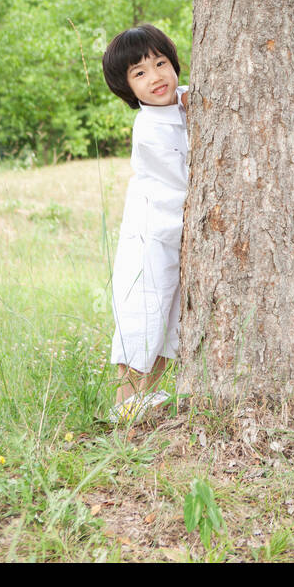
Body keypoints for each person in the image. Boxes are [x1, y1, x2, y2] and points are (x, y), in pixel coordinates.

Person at [102, 23, 189, 423]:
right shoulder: (150, 128)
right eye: (140, 73)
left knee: (168, 321)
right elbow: (184, 179)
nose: (155, 77)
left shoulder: (184, 102)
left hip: (173, 236)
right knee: (144, 316)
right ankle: (126, 408)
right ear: (127, 89)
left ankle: (143, 407)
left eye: (160, 63)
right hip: (151, 235)